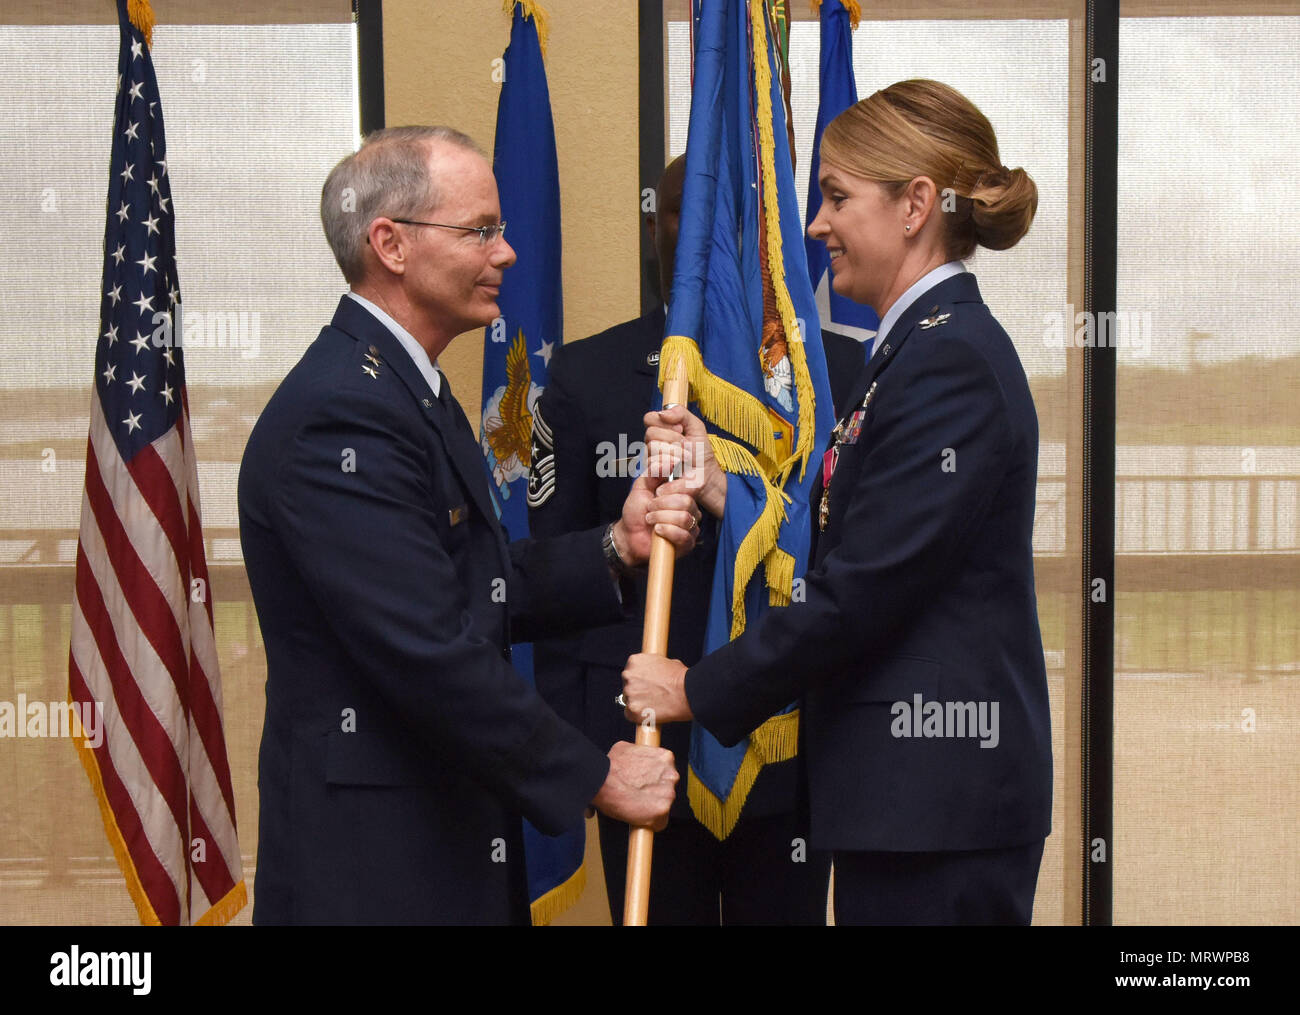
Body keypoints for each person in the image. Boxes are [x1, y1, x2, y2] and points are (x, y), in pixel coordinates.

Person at [238, 126, 702, 925]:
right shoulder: (342, 416)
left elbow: (470, 583)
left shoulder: (402, 388)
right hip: (377, 869)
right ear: (390, 242)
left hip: (440, 839)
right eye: (481, 230)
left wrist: (614, 545)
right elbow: (426, 649)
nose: (508, 253)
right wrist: (596, 773)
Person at [623, 80, 1053, 925]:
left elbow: (862, 592)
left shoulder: (947, 364)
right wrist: (721, 487)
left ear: (916, 205)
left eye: (834, 196)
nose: (815, 226)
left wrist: (696, 689)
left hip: (936, 806)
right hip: (908, 803)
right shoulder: (917, 354)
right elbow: (860, 543)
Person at [528, 156, 863, 924]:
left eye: (726, 218)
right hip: (642, 750)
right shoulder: (589, 374)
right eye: (678, 214)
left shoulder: (833, 375)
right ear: (653, 228)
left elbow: (850, 569)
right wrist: (585, 755)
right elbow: (553, 585)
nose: (698, 236)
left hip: (788, 749)